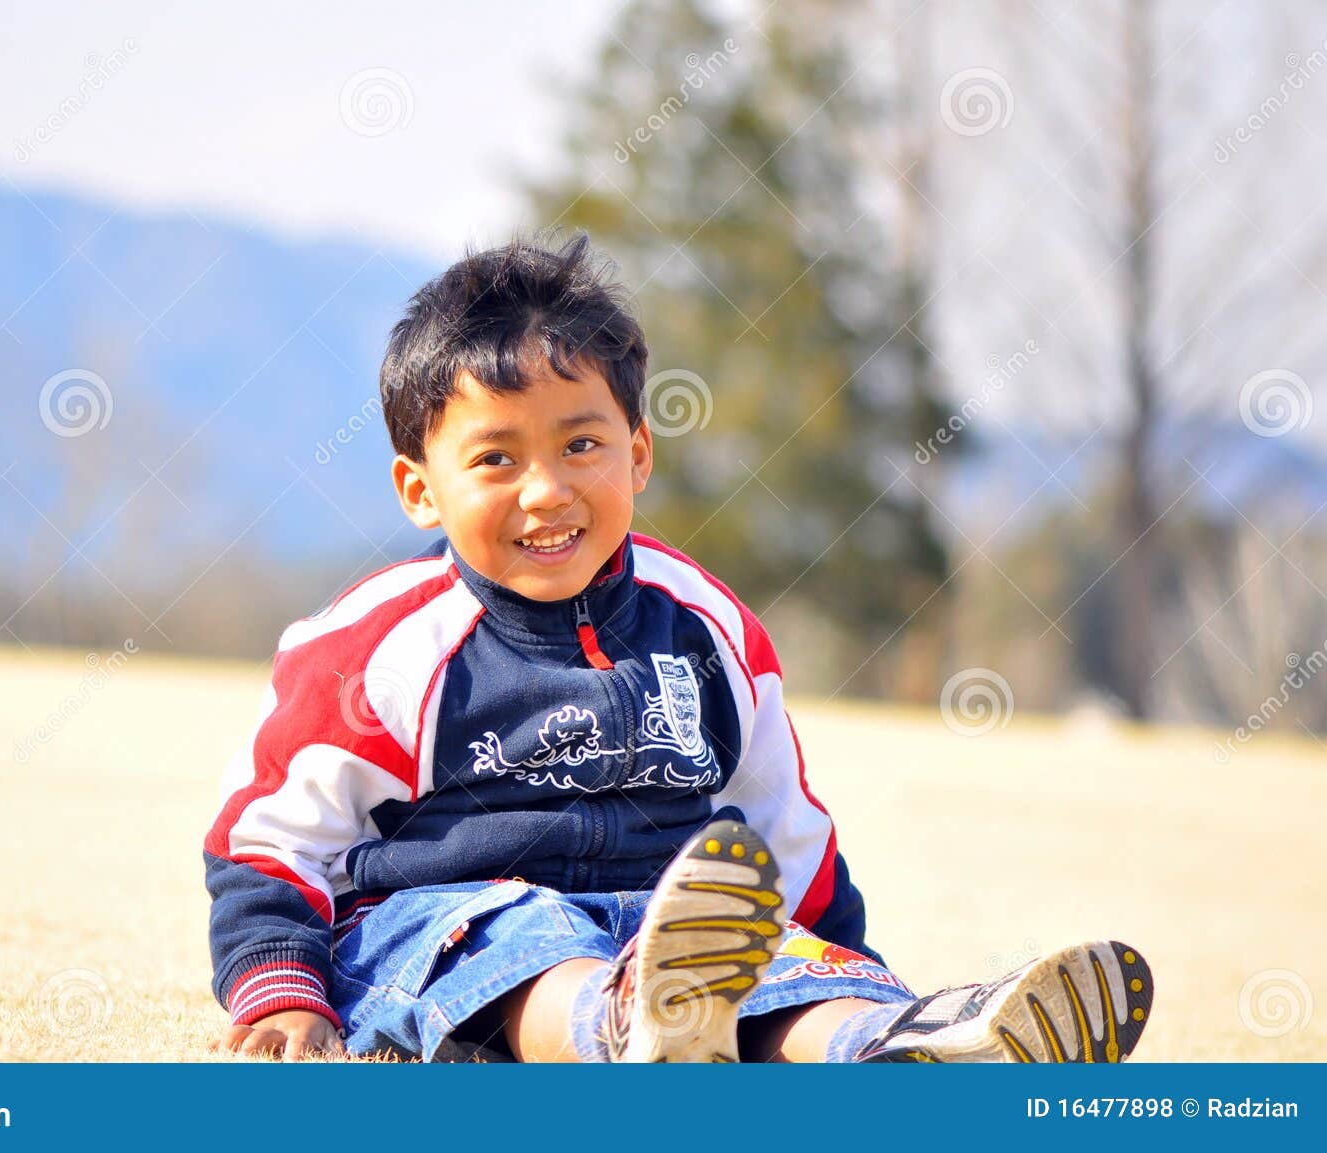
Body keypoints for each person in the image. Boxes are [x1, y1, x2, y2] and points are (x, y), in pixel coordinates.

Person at [204, 233, 1154, 1063]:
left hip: (680, 932)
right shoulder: (382, 643)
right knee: (519, 940)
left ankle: (896, 1049)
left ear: (639, 454)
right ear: (420, 489)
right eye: (496, 458)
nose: (546, 492)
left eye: (582, 446)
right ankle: (618, 1033)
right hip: (456, 925)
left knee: (773, 965)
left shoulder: (705, 623)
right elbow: (271, 840)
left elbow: (780, 822)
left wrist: (843, 967)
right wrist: (281, 989)